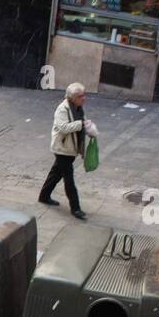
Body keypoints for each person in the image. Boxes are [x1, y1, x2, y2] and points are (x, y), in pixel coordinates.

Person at [38, 82, 98, 221]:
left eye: (84, 95)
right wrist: (81, 124)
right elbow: (63, 127)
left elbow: (82, 123)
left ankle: (44, 196)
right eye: (80, 96)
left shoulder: (78, 108)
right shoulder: (62, 109)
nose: (84, 98)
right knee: (69, 179)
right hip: (63, 149)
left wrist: (88, 129)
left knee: (56, 173)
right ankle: (75, 208)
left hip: (71, 148)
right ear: (72, 98)